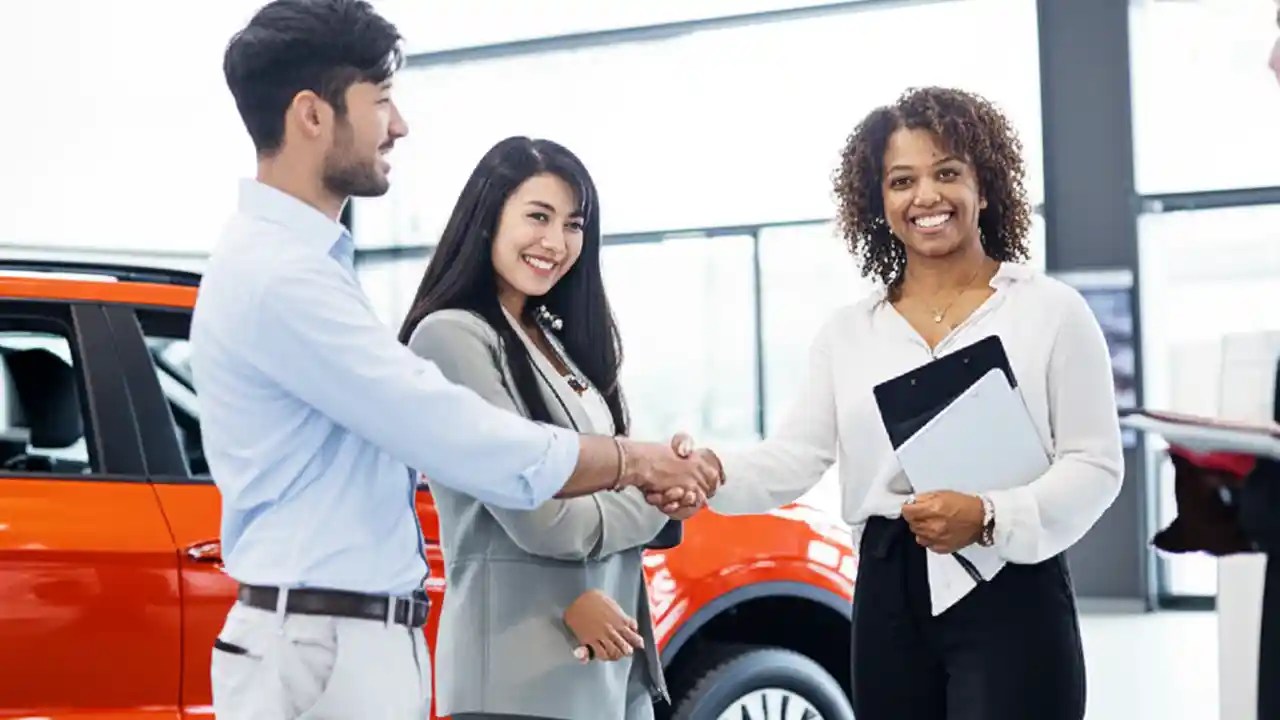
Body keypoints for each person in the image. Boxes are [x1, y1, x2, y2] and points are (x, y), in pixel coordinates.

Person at [192, 2, 719, 718]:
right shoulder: (283, 278)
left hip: (346, 639)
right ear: (312, 115)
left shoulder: (299, 266)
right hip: (324, 648)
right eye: (380, 101)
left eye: (572, 225)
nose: (399, 125)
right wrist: (636, 463)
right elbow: (463, 437)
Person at [670, 86, 1125, 720]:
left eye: (947, 174)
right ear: (879, 201)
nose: (926, 197)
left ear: (984, 186)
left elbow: (1096, 464)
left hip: (1011, 582)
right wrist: (706, 475)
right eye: (902, 181)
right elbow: (795, 457)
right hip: (888, 590)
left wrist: (992, 514)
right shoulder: (850, 333)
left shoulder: (1048, 311)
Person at [398, 136, 692, 720]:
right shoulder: (451, 337)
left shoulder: (552, 339)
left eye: (573, 224)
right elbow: (540, 515)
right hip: (519, 672)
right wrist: (655, 493)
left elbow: (597, 481)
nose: (555, 243)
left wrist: (677, 484)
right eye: (538, 216)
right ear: (487, 221)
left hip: (605, 663)